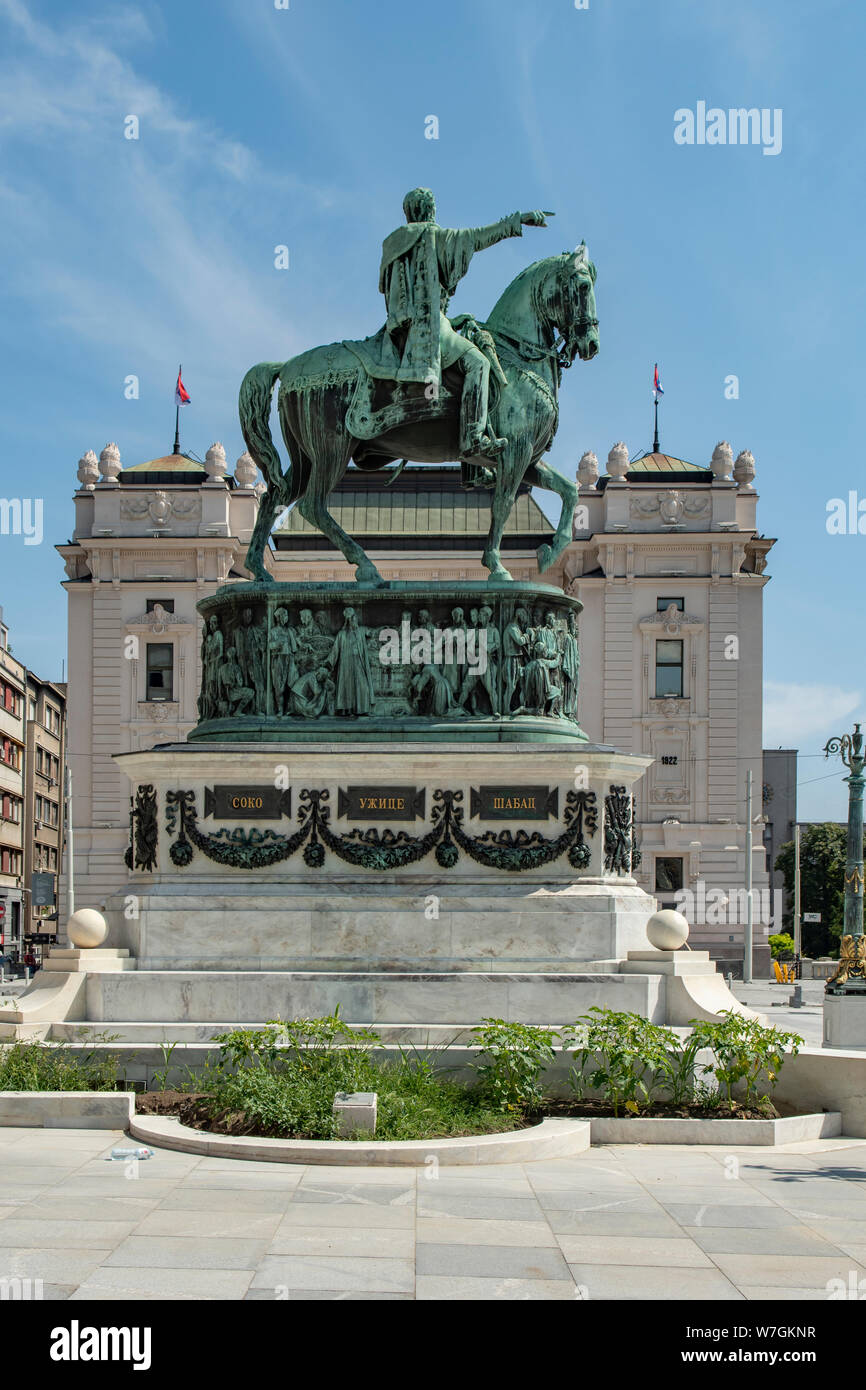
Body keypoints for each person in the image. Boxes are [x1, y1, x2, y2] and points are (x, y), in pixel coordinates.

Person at [378, 188, 552, 468]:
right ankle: (473, 436)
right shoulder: (433, 237)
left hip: (399, 330)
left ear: (409, 212)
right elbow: (480, 237)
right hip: (430, 331)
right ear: (429, 211)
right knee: (479, 363)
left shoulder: (393, 245)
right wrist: (516, 221)